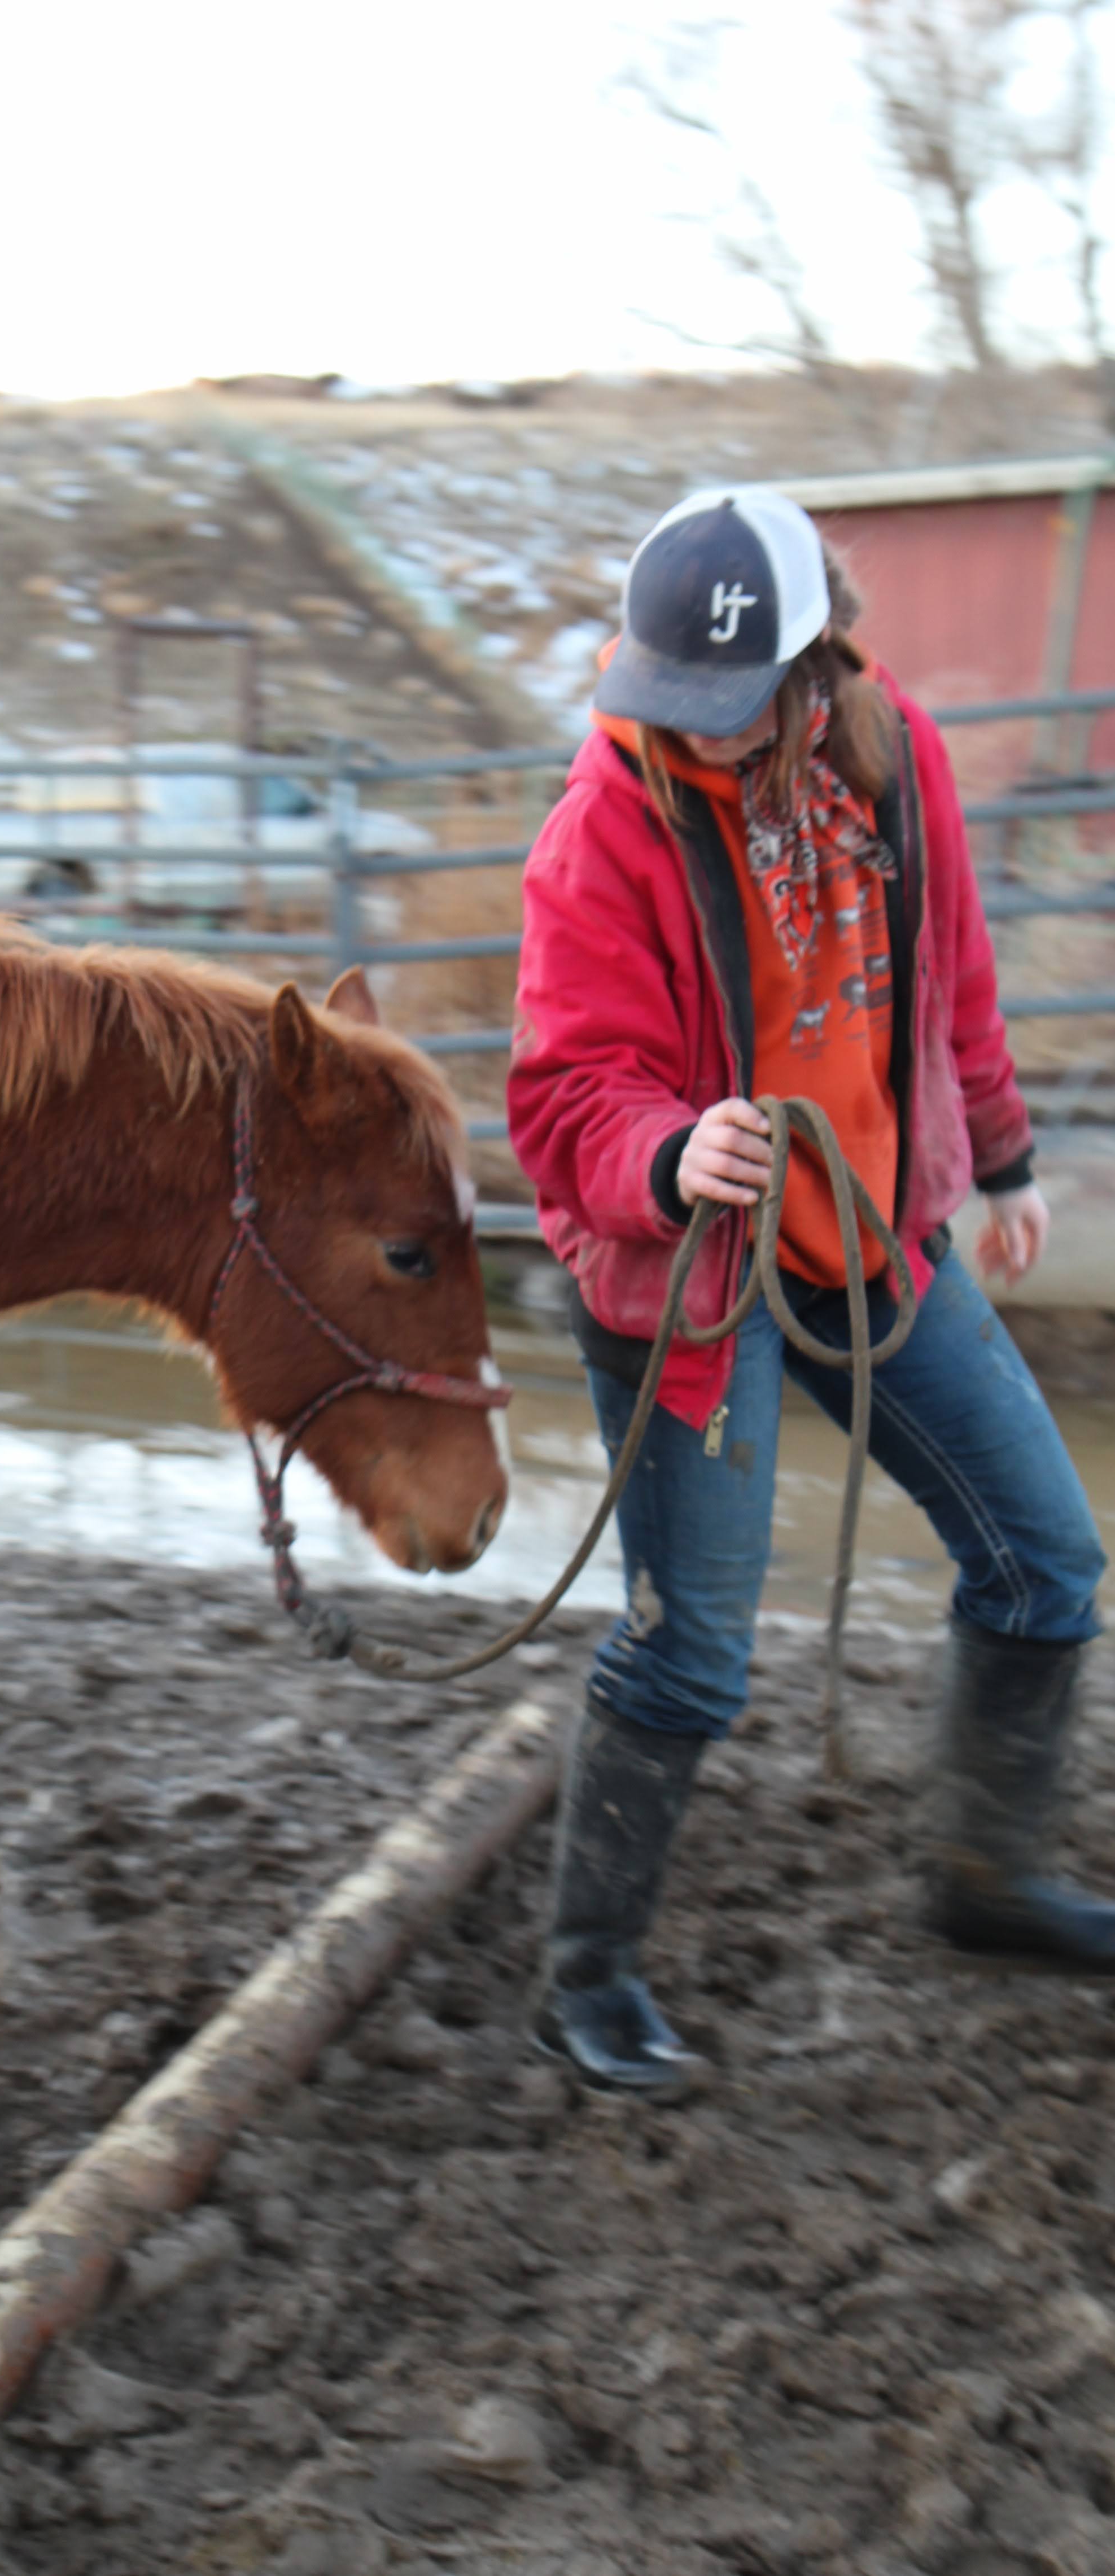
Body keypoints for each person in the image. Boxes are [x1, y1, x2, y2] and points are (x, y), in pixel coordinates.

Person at [506, 485, 1109, 2101]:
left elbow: (955, 967)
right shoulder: (603, 826)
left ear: (817, 664)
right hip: (691, 1274)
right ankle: (591, 1971)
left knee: (1046, 1558)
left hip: (874, 1228)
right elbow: (561, 1094)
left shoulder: (889, 749)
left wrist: (994, 1156)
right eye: (672, 702)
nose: (695, 735)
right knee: (693, 1655)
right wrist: (659, 1149)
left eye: (729, 705)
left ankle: (981, 1882)